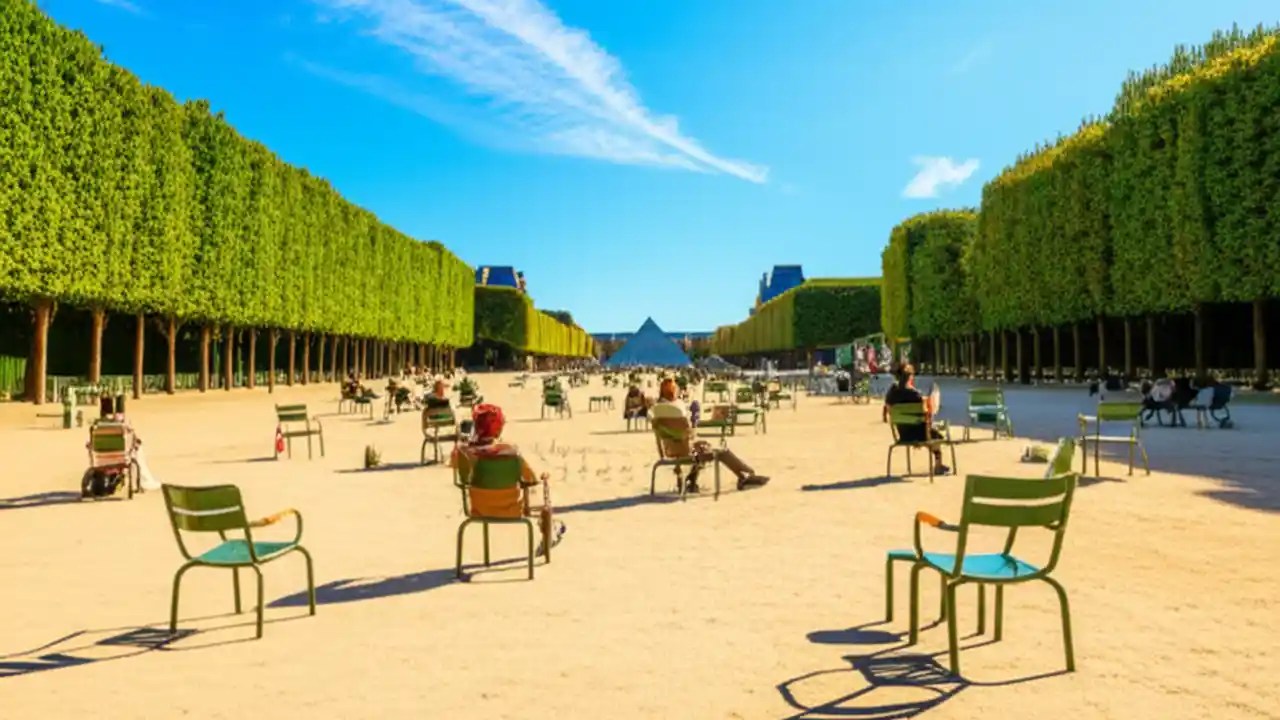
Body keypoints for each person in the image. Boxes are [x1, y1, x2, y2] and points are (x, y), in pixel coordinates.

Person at [451, 404, 565, 552]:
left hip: (479, 509)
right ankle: (550, 531)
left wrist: (463, 444)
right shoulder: (510, 452)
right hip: (512, 510)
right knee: (541, 491)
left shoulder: (465, 452)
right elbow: (531, 478)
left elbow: (458, 473)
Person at [650, 378, 769, 493]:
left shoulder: (657, 411)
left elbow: (671, 436)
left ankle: (692, 481)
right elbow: (689, 433)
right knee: (722, 452)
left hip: (670, 451)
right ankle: (745, 475)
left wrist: (663, 454)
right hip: (688, 452)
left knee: (703, 447)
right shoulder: (677, 410)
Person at [882, 363, 950, 475]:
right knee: (936, 436)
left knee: (928, 432)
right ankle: (938, 465)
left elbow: (889, 410)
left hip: (903, 433)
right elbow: (926, 414)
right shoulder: (915, 394)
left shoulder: (892, 392)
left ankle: (937, 464)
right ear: (910, 377)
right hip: (920, 434)